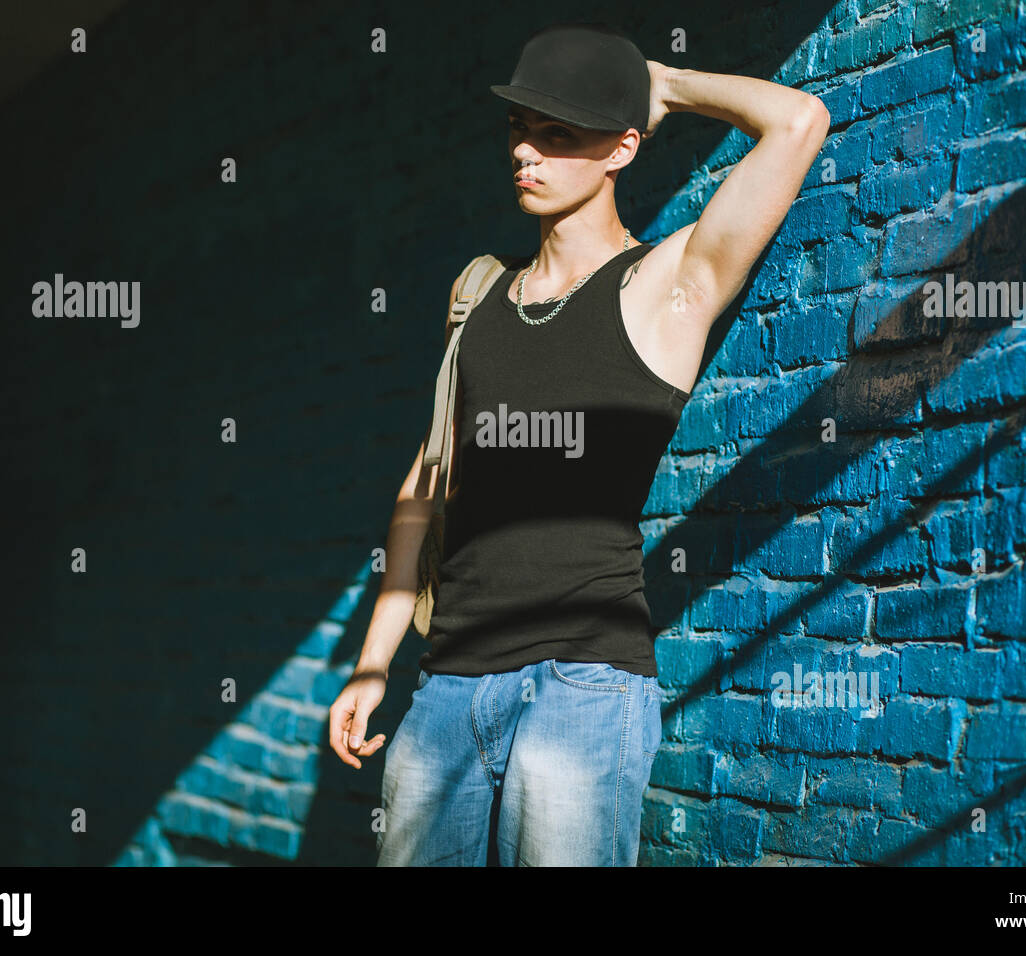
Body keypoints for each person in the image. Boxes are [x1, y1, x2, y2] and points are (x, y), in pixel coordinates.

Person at [328, 21, 830, 866]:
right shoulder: (480, 300)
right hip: (447, 682)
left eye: (558, 134)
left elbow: (798, 122)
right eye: (520, 130)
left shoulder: (662, 288)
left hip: (583, 686)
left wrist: (664, 81)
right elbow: (425, 488)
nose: (526, 152)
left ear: (622, 149)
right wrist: (376, 661)